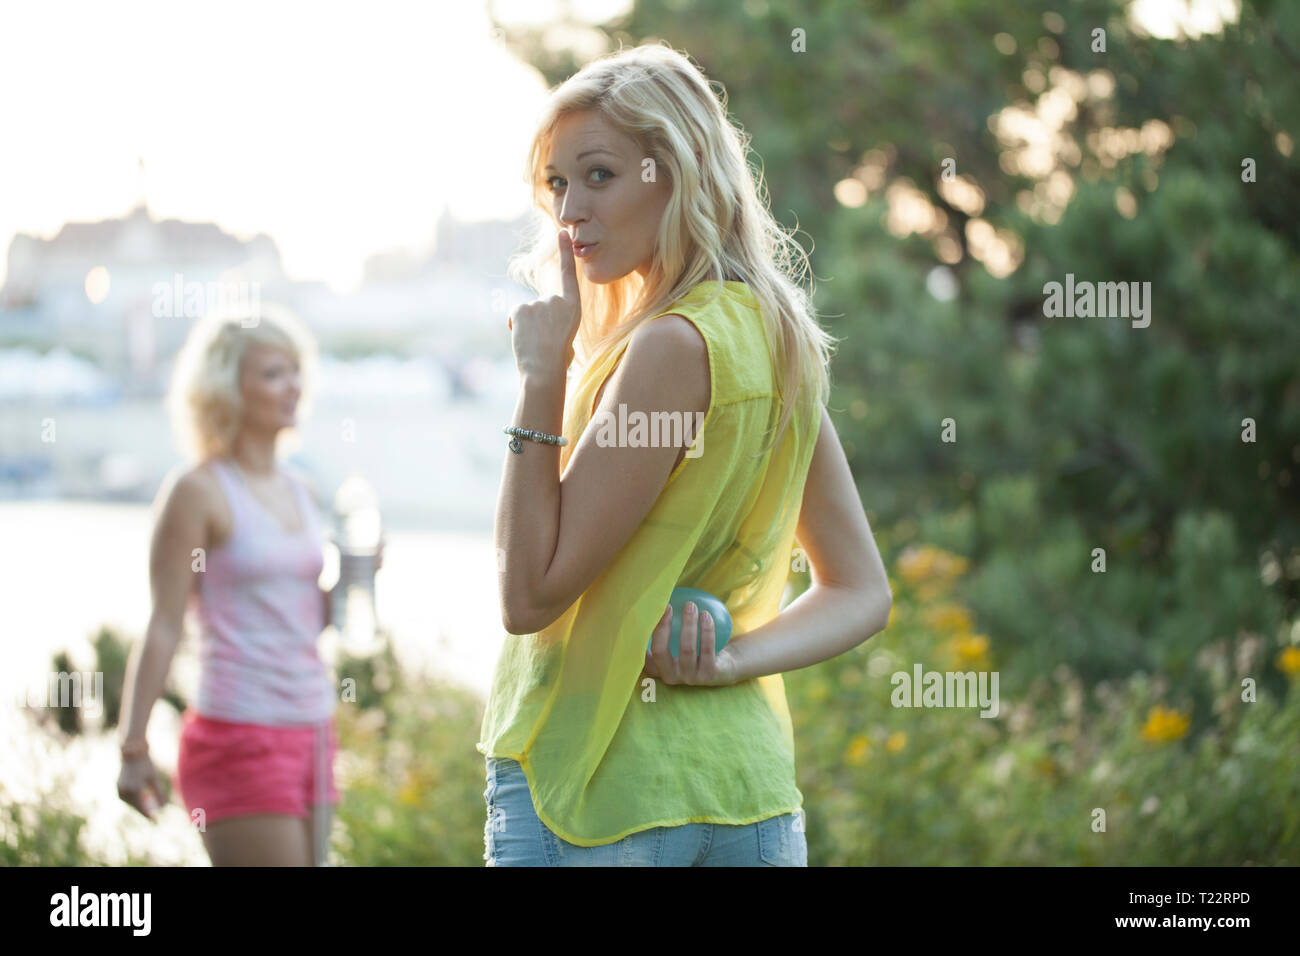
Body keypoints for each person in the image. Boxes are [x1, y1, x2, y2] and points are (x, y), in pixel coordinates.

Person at [480, 42, 892, 866]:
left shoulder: (670, 346)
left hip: (596, 795)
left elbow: (528, 597)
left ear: (675, 172)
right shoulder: (781, 340)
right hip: (749, 799)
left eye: (600, 175)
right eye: (558, 184)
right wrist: (729, 660)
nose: (570, 213)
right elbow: (861, 593)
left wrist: (541, 377)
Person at [115, 304, 379, 865]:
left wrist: (355, 577)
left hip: (311, 729)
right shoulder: (197, 491)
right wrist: (133, 747)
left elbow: (304, 618)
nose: (293, 386)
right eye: (272, 373)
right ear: (226, 389)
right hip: (237, 734)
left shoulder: (301, 488)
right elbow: (164, 624)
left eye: (295, 369)